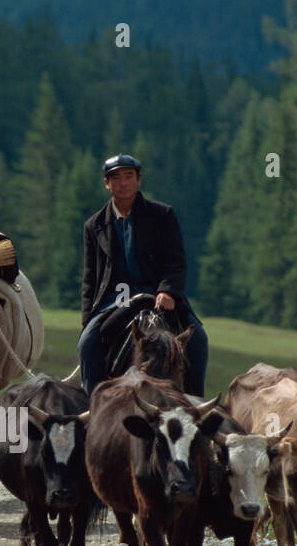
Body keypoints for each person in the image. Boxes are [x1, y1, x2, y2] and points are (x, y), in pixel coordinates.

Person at [78, 154, 208, 396]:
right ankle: (92, 405)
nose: (123, 183)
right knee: (87, 343)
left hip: (158, 295)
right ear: (106, 183)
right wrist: (88, 319)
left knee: (198, 339)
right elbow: (90, 277)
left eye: (129, 177)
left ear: (139, 181)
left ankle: (195, 403)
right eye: (116, 178)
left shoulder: (162, 215)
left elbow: (175, 260)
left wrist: (168, 290)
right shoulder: (94, 225)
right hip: (113, 301)